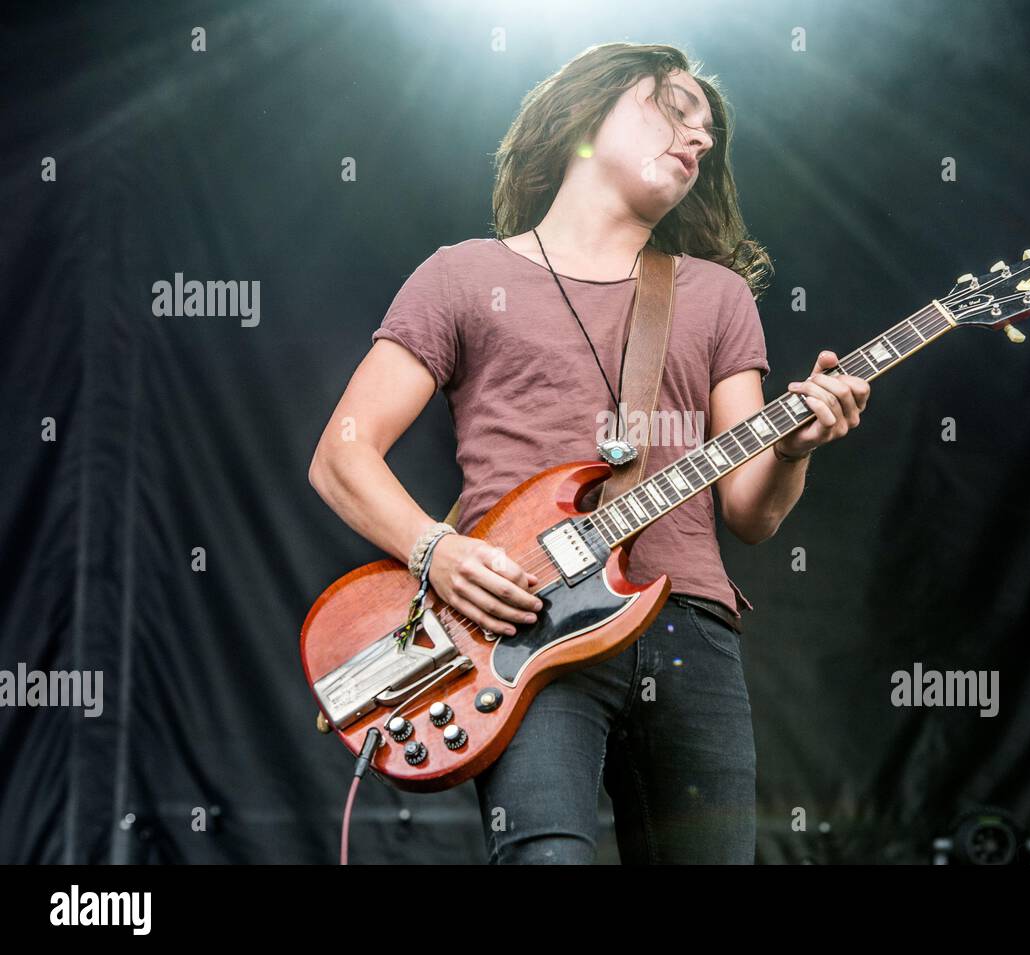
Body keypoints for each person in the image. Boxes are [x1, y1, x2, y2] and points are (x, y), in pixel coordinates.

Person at [308, 41, 870, 863]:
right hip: (521, 630)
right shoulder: (461, 277)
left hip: (689, 628)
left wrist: (796, 447)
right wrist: (438, 550)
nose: (700, 138)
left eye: (709, 131)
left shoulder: (713, 293)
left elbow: (751, 512)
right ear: (586, 115)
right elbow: (342, 455)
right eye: (676, 108)